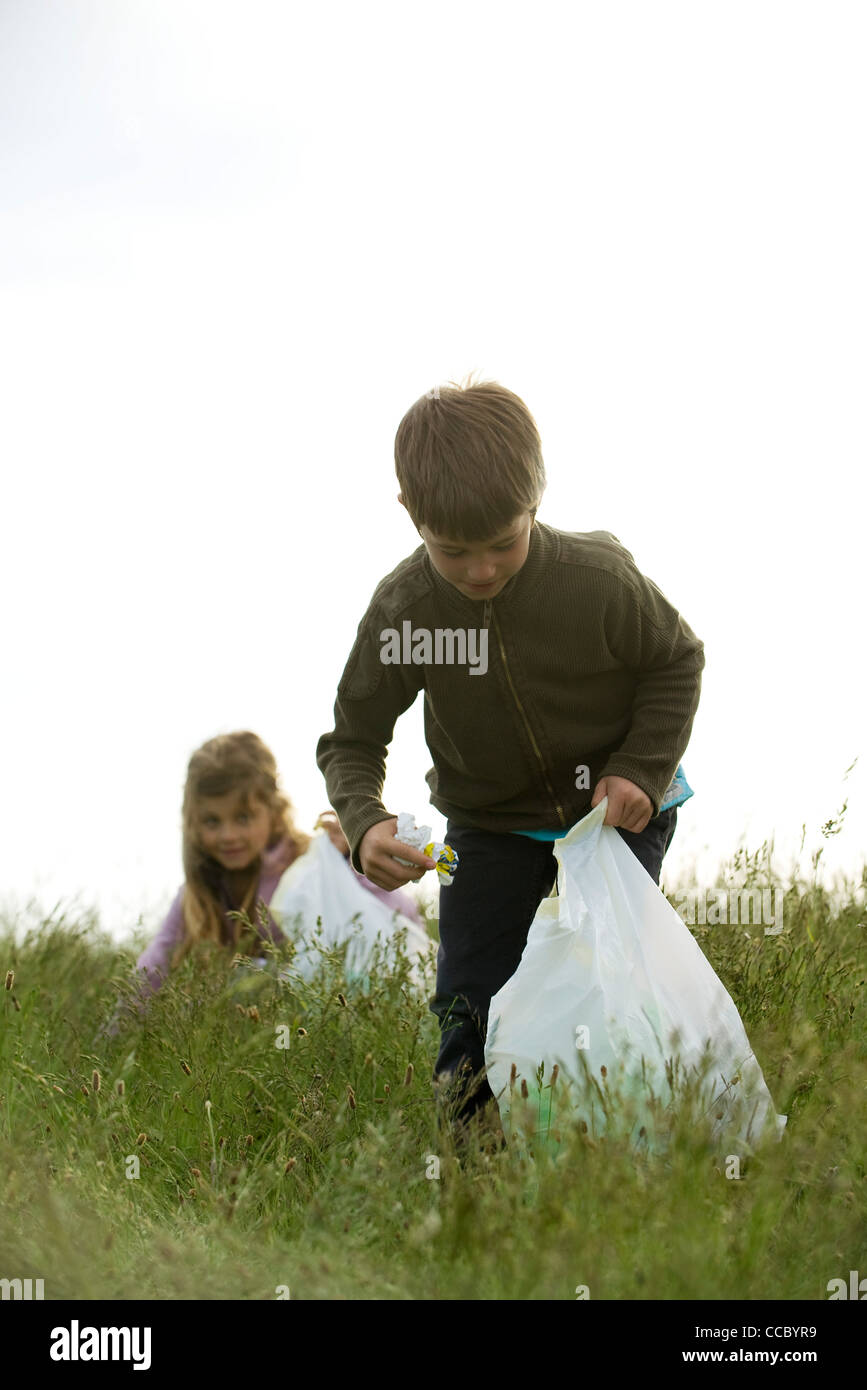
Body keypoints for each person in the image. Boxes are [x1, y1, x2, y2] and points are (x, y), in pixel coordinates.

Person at [316, 376, 704, 1133]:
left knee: (599, 985)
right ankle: (476, 1168)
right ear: (410, 514)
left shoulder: (596, 579)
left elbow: (676, 660)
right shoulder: (404, 612)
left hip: (616, 817)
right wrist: (364, 824)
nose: (481, 570)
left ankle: (614, 1149)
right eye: (452, 550)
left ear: (536, 498)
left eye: (503, 543)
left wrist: (640, 769)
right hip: (483, 830)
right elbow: (352, 739)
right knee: (470, 997)